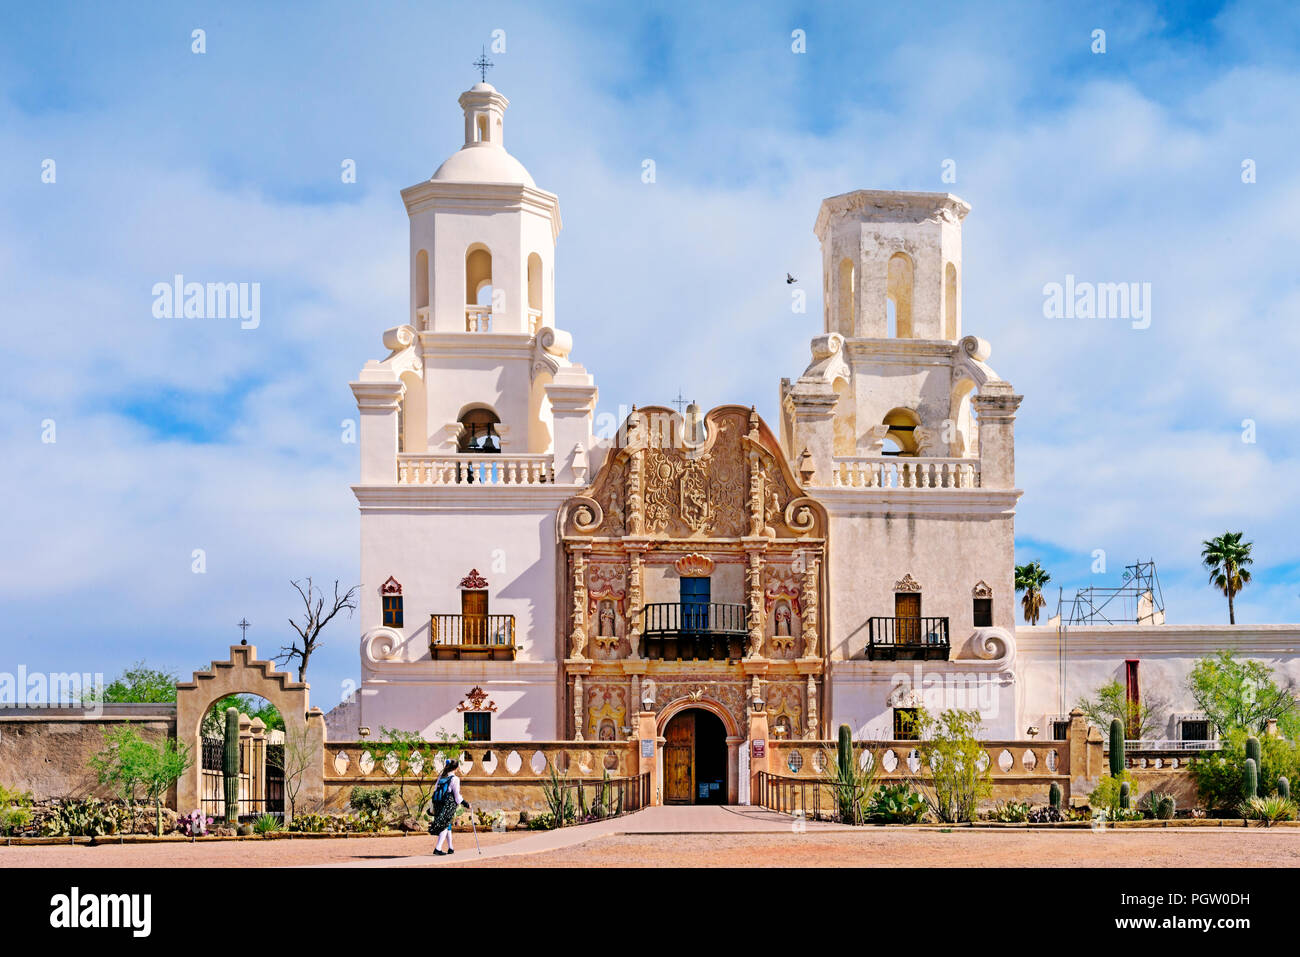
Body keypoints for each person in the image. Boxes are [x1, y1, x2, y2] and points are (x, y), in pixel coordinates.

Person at [428, 756, 470, 855]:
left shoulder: (441, 776)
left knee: (447, 824)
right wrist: (466, 804)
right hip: (448, 804)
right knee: (445, 825)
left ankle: (450, 847)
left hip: (437, 802)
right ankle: (438, 848)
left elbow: (435, 790)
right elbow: (456, 796)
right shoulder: (455, 779)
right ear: (456, 768)